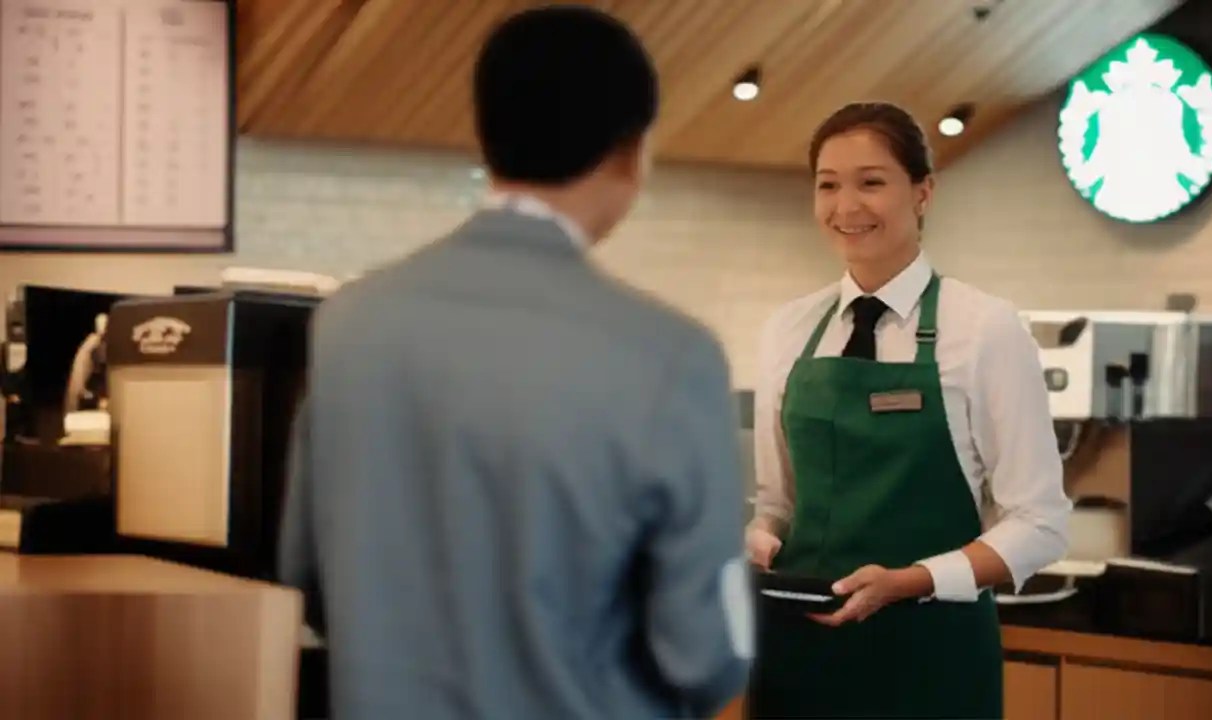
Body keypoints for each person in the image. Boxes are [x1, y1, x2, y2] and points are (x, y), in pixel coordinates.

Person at [278, 6, 753, 720]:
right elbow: (709, 650)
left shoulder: (350, 323)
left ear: (486, 133)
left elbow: (305, 575)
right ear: (632, 152)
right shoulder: (670, 355)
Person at [745, 102, 1071, 719]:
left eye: (871, 182)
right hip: (798, 659)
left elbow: (1040, 523)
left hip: (930, 660)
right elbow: (778, 504)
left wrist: (910, 581)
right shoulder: (787, 330)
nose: (847, 207)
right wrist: (759, 538)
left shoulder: (984, 329)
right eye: (828, 185)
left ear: (922, 192)